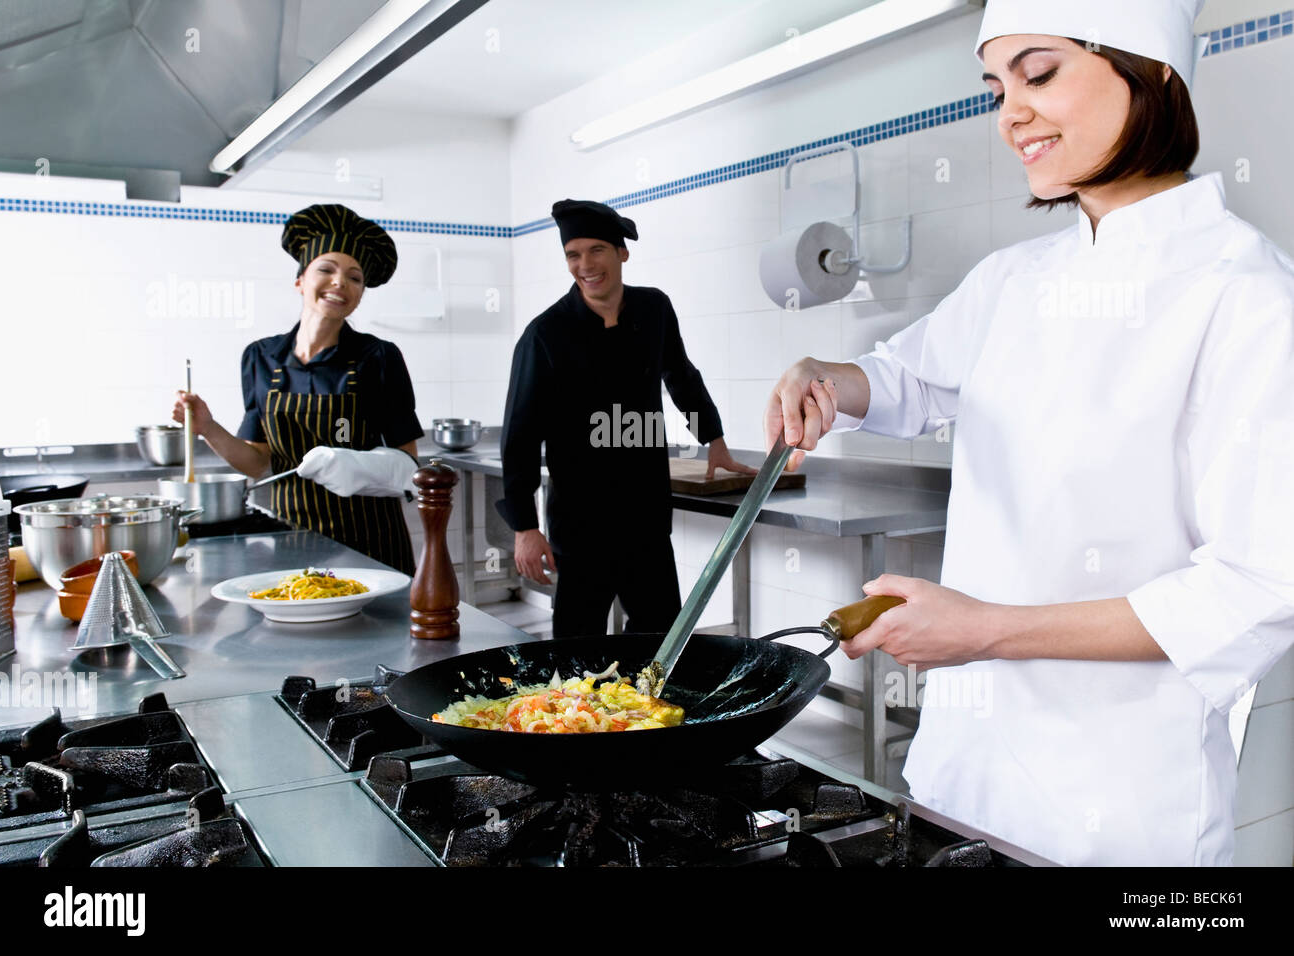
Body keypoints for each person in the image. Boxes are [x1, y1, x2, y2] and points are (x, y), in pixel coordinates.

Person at [766, 0, 1294, 866]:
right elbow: (907, 378)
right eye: (995, 84)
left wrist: (987, 630)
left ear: (1152, 74)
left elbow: (1261, 582)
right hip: (963, 767)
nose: (1010, 111)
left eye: (1039, 73)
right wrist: (823, 376)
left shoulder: (1247, 296)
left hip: (1119, 798)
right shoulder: (1014, 278)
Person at [499, 199, 754, 638]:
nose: (585, 265)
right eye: (573, 255)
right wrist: (525, 526)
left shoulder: (654, 310)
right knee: (578, 648)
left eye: (596, 250)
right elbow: (519, 437)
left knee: (659, 640)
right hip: (581, 523)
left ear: (622, 252)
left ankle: (649, 709)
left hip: (646, 515)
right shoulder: (545, 335)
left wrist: (714, 440)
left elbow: (681, 377)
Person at [173, 203, 422, 575]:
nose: (341, 282)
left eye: (355, 278)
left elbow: (409, 467)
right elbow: (259, 463)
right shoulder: (260, 357)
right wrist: (208, 427)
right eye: (326, 269)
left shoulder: (378, 357)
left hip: (371, 543)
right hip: (292, 540)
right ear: (300, 281)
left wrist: (354, 464)